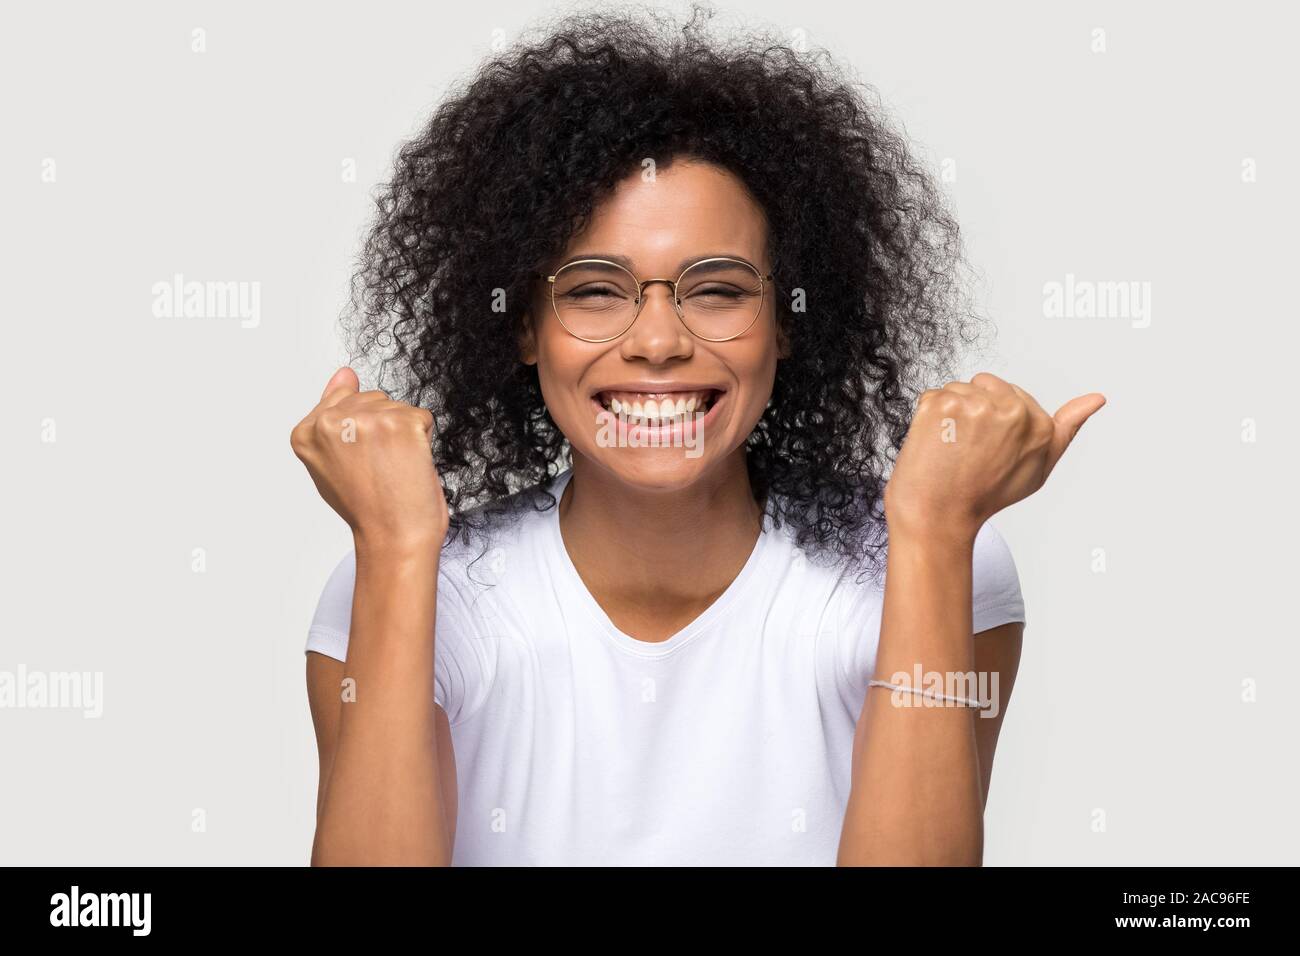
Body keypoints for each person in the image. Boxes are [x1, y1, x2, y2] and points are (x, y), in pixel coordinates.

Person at [290, 6, 1104, 866]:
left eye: (716, 290)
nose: (657, 341)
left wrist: (938, 534)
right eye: (595, 291)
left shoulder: (932, 560)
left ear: (788, 321)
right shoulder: (404, 584)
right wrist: (393, 543)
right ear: (525, 327)